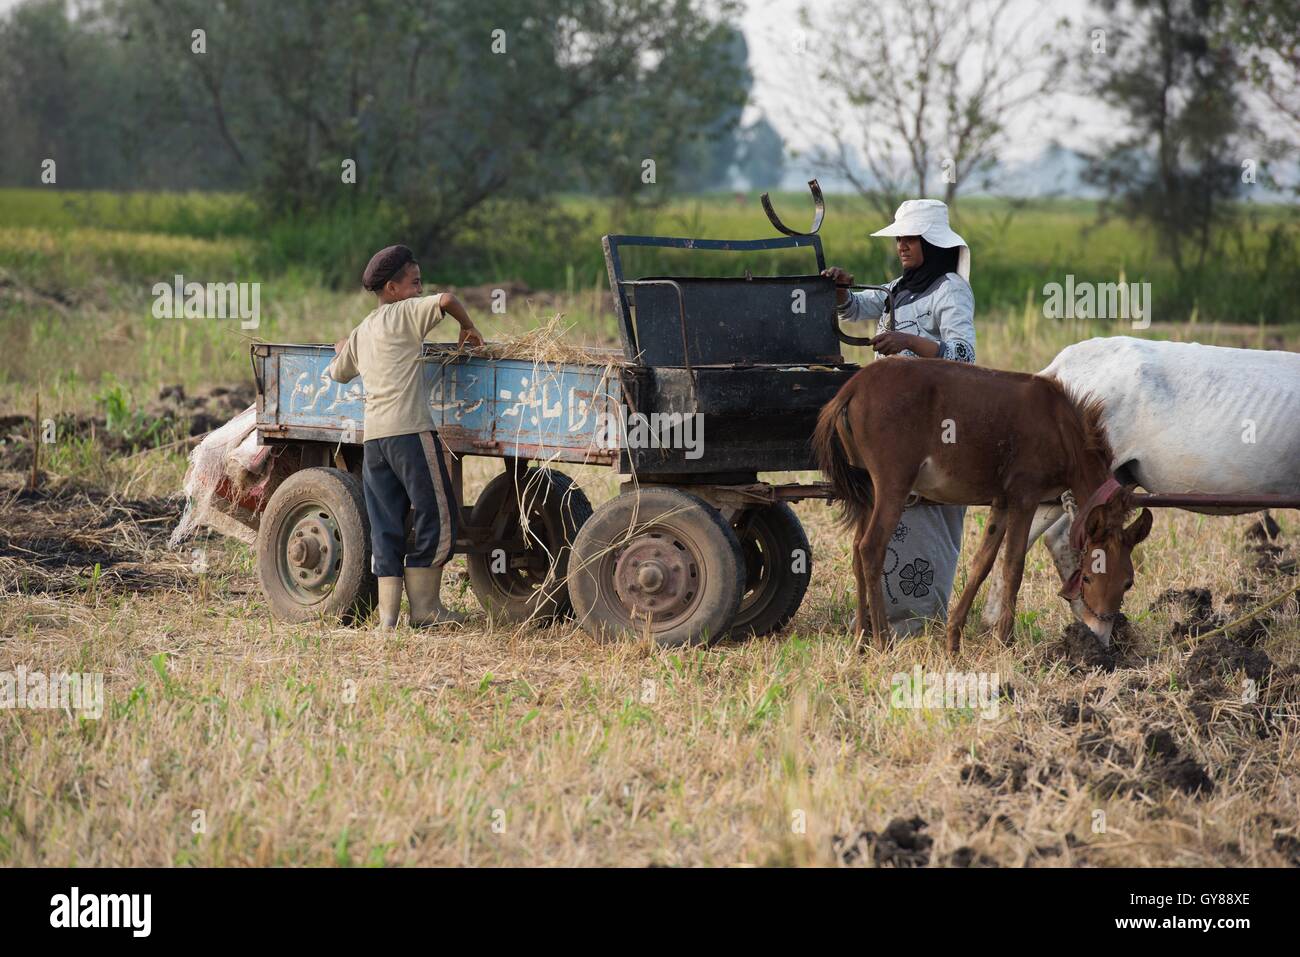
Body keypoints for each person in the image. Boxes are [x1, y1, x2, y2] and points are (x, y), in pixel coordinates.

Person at [821, 199, 976, 637]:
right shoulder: (898, 288)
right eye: (900, 239)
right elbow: (856, 309)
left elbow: (963, 355)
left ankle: (917, 619)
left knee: (923, 508)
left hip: (935, 417)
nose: (902, 246)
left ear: (932, 243)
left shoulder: (950, 289)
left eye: (910, 238)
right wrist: (840, 292)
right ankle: (881, 616)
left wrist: (907, 342)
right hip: (898, 417)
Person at [328, 244, 484, 629]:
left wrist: (342, 349)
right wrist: (468, 326)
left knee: (385, 523)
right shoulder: (406, 313)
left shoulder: (363, 330)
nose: (419, 289)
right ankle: (427, 609)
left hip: (374, 441)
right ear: (392, 289)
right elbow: (447, 299)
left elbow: (337, 372)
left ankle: (387, 621)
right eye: (414, 283)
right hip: (409, 433)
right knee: (438, 512)